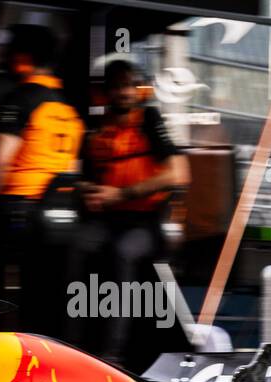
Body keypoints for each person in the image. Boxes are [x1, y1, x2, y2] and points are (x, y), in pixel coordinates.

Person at [80, 58, 190, 364]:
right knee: (75, 245)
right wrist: (88, 191)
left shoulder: (150, 120)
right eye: (117, 86)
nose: (124, 92)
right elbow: (81, 176)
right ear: (106, 92)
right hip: (105, 219)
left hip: (145, 222)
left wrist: (121, 194)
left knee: (123, 252)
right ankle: (71, 344)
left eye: (129, 85)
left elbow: (178, 173)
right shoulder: (96, 128)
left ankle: (113, 354)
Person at [0, 23, 84, 330]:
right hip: (61, 215)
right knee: (44, 295)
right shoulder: (68, 108)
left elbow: (0, 162)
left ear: (22, 58)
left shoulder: (19, 99)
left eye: (7, 52)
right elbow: (72, 166)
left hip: (19, 212)